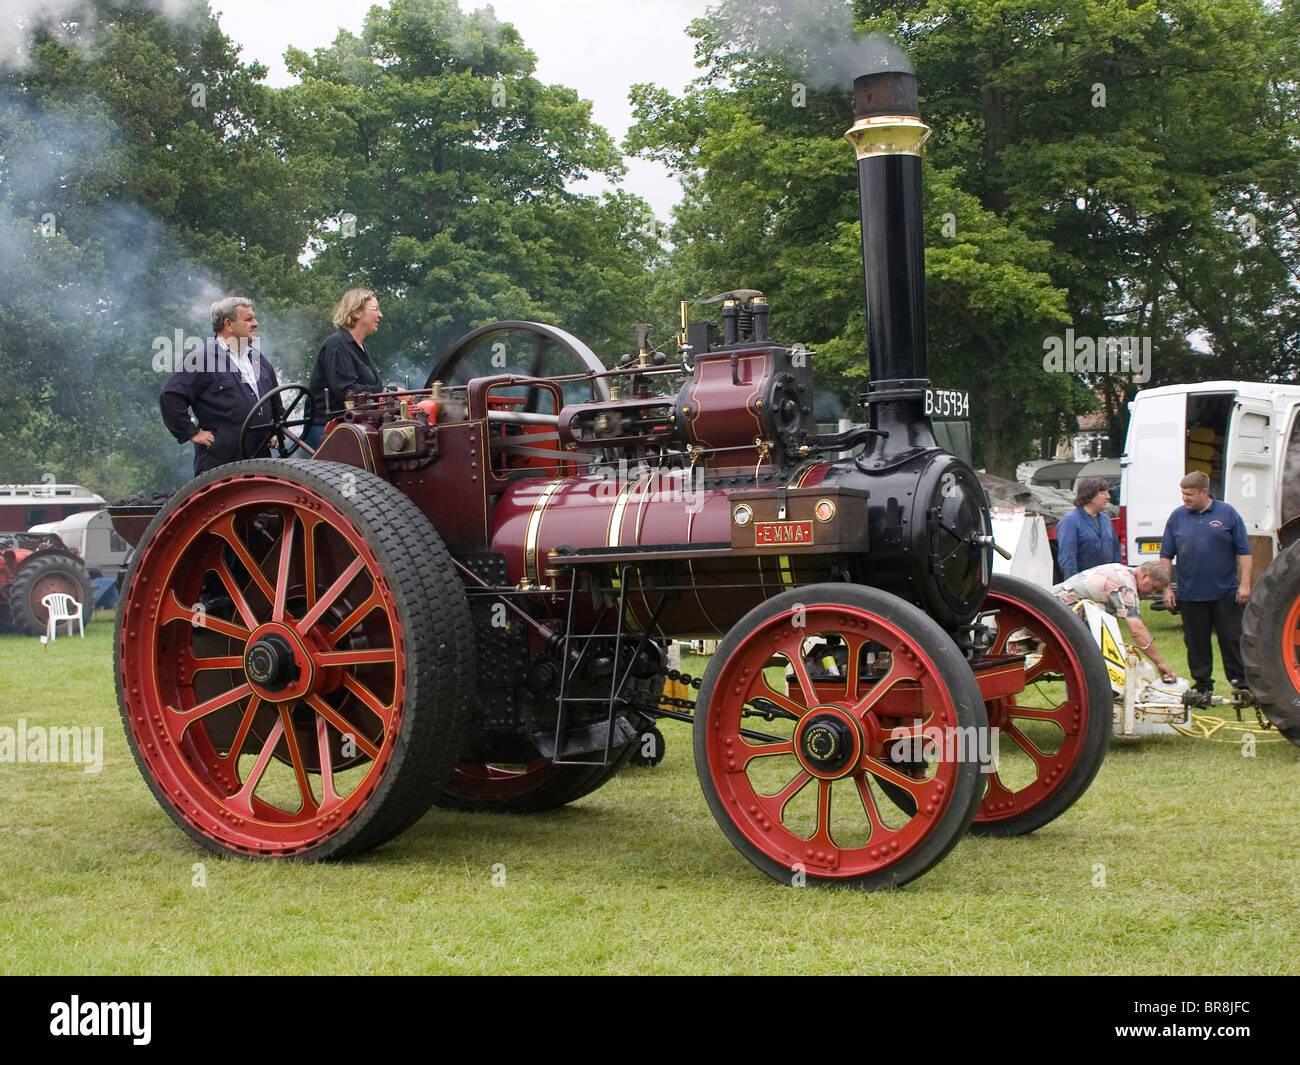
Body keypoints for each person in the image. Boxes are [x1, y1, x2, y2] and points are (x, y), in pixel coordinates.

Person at [160, 297, 282, 476]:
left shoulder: (258, 359)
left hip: (260, 460)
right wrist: (191, 433)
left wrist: (275, 431)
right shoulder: (202, 358)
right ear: (228, 324)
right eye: (248, 319)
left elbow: (275, 401)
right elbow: (170, 395)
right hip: (221, 465)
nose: (255, 323)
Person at [1159, 471, 1252, 694]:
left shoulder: (1227, 514)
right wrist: (1166, 588)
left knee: (1231, 640)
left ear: (1204, 492)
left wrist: (1245, 584)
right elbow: (1165, 556)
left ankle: (1241, 684)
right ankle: (1203, 686)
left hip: (1225, 593)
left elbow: (1244, 552)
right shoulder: (1177, 517)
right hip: (1190, 594)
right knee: (1196, 643)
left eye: (1189, 494)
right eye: (1183, 493)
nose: (1185, 498)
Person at [1052, 560, 1178, 681]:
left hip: (1053, 604)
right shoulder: (1125, 586)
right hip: (1057, 613)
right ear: (1144, 576)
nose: (1153, 593)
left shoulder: (1121, 571)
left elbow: (1111, 623)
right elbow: (1137, 630)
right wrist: (1159, 663)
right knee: (1086, 663)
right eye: (1154, 587)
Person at [305, 288, 384, 447]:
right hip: (327, 428)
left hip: (350, 426)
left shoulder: (360, 347)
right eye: (375, 309)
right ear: (356, 312)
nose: (380, 315)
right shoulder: (337, 345)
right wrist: (387, 391)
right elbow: (347, 392)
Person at [1055, 476, 1121, 578]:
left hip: (1106, 582)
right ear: (1090, 495)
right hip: (1084, 583)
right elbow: (1068, 559)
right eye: (1103, 493)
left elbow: (1116, 554)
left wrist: (1118, 577)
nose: (1108, 497)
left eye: (1107, 493)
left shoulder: (1106, 520)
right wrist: (1075, 584)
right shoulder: (1070, 521)